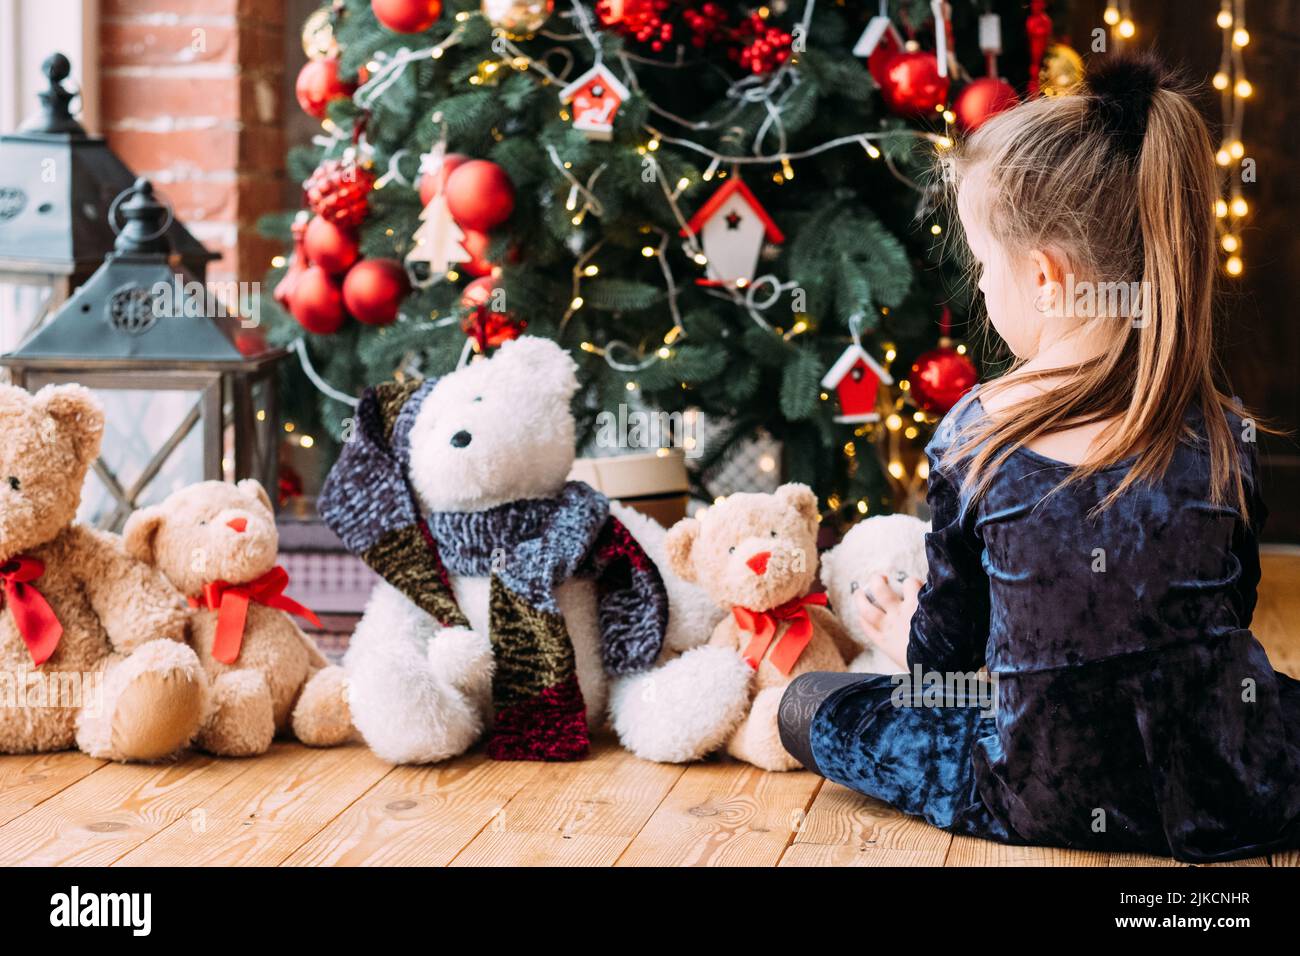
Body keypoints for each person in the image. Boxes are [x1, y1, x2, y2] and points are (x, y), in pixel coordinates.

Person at [777, 52, 1300, 863]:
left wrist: (905, 641)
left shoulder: (976, 434)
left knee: (812, 702)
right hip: (1228, 795)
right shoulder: (1226, 431)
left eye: (984, 268)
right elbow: (1219, 622)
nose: (982, 291)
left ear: (1046, 277)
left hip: (1039, 794)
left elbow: (942, 663)